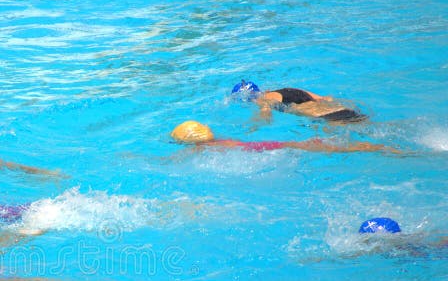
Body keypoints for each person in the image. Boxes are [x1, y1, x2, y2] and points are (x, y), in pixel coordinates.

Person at [170, 120, 397, 153]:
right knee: (308, 145)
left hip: (267, 148)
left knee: (313, 147)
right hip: (267, 144)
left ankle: (374, 148)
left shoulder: (202, 148)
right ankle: (372, 147)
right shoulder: (219, 140)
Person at [230, 80, 367, 123]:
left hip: (329, 117)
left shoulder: (264, 100)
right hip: (341, 108)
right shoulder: (288, 89)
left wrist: (251, 127)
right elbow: (326, 98)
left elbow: (266, 118)